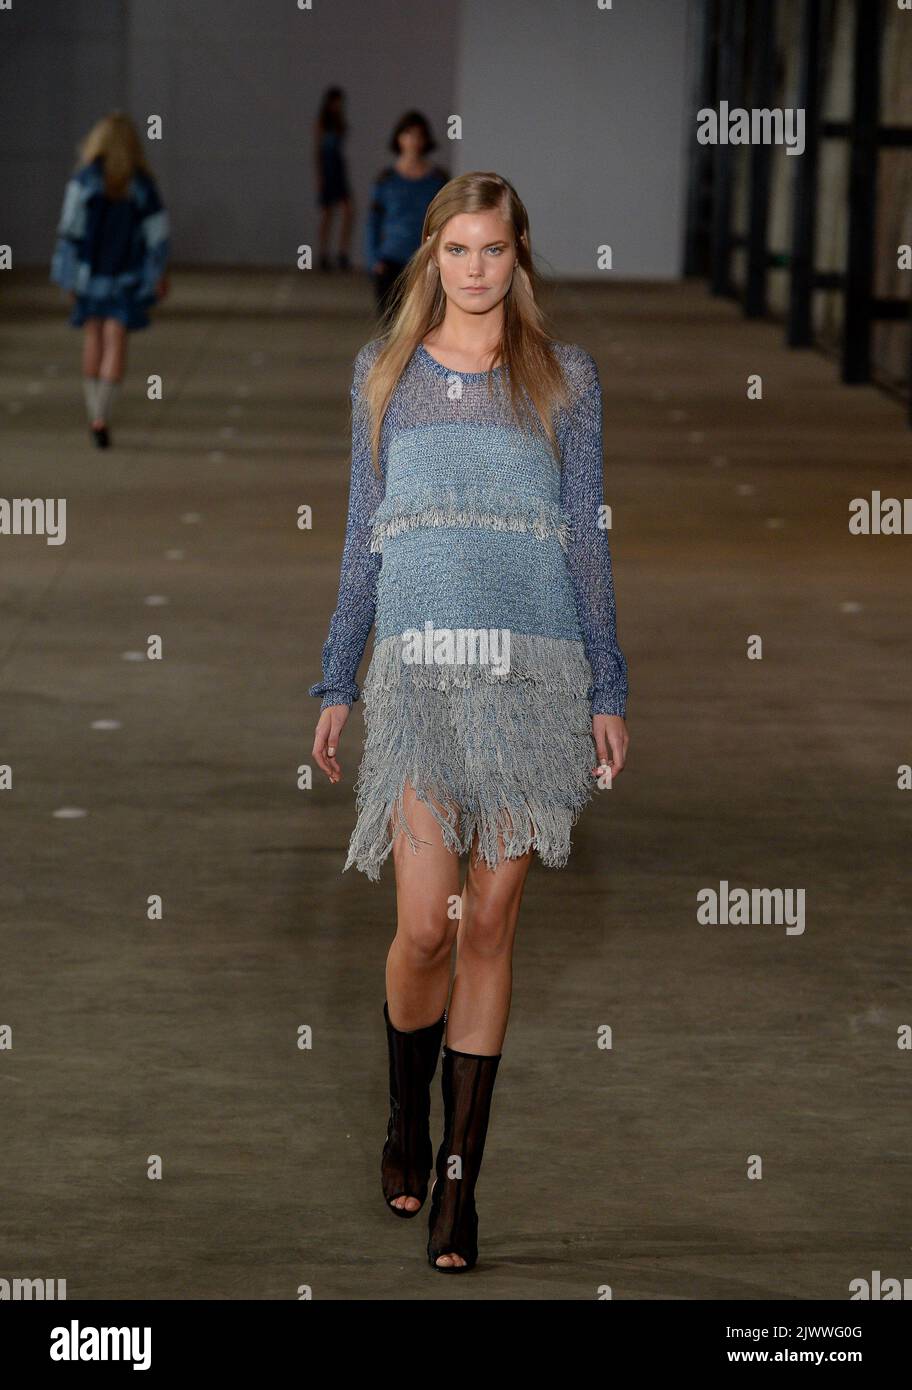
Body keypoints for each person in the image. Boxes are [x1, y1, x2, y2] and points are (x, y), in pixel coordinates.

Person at [309, 171, 629, 1273]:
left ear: (519, 258)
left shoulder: (563, 381)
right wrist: (335, 677)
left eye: (495, 250)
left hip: (533, 680)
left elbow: (586, 540)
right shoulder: (384, 373)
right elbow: (365, 536)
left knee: (490, 925)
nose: (477, 269)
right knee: (427, 928)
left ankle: (457, 1183)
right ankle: (404, 1115)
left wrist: (609, 688)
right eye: (458, 250)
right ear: (432, 256)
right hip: (418, 681)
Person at [50, 112, 170, 449]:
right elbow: (156, 236)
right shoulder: (142, 186)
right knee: (116, 338)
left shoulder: (84, 181)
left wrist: (67, 276)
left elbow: (69, 231)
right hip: (125, 276)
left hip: (90, 275)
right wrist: (157, 274)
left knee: (93, 334)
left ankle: (94, 414)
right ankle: (103, 415)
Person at [365, 110, 447, 323]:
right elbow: (372, 223)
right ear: (398, 138)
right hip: (390, 262)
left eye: (419, 135)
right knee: (391, 326)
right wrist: (374, 260)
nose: (414, 141)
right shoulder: (385, 180)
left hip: (424, 260)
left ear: (426, 140)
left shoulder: (438, 180)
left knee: (424, 324)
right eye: (408, 134)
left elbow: (446, 222)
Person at [315, 87, 353, 272]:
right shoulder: (322, 123)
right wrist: (320, 176)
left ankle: (342, 253)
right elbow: (318, 151)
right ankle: (323, 254)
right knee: (327, 214)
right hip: (328, 169)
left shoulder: (339, 123)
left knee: (348, 211)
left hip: (338, 168)